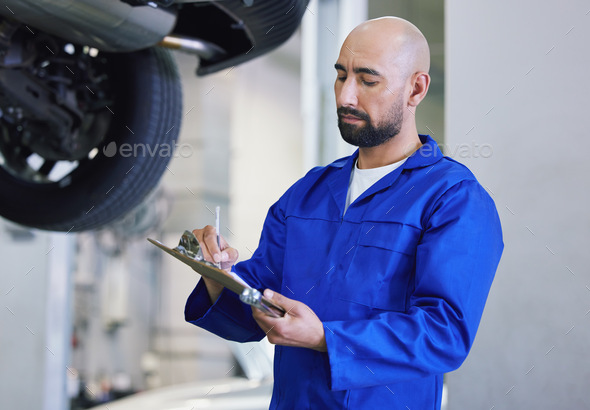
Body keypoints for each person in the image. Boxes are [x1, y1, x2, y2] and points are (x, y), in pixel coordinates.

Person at [185, 16, 503, 409]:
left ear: (416, 89)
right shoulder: (308, 193)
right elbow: (257, 304)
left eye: (368, 81)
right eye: (341, 76)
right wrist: (219, 277)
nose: (345, 97)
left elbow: (443, 333)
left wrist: (325, 338)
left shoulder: (453, 199)